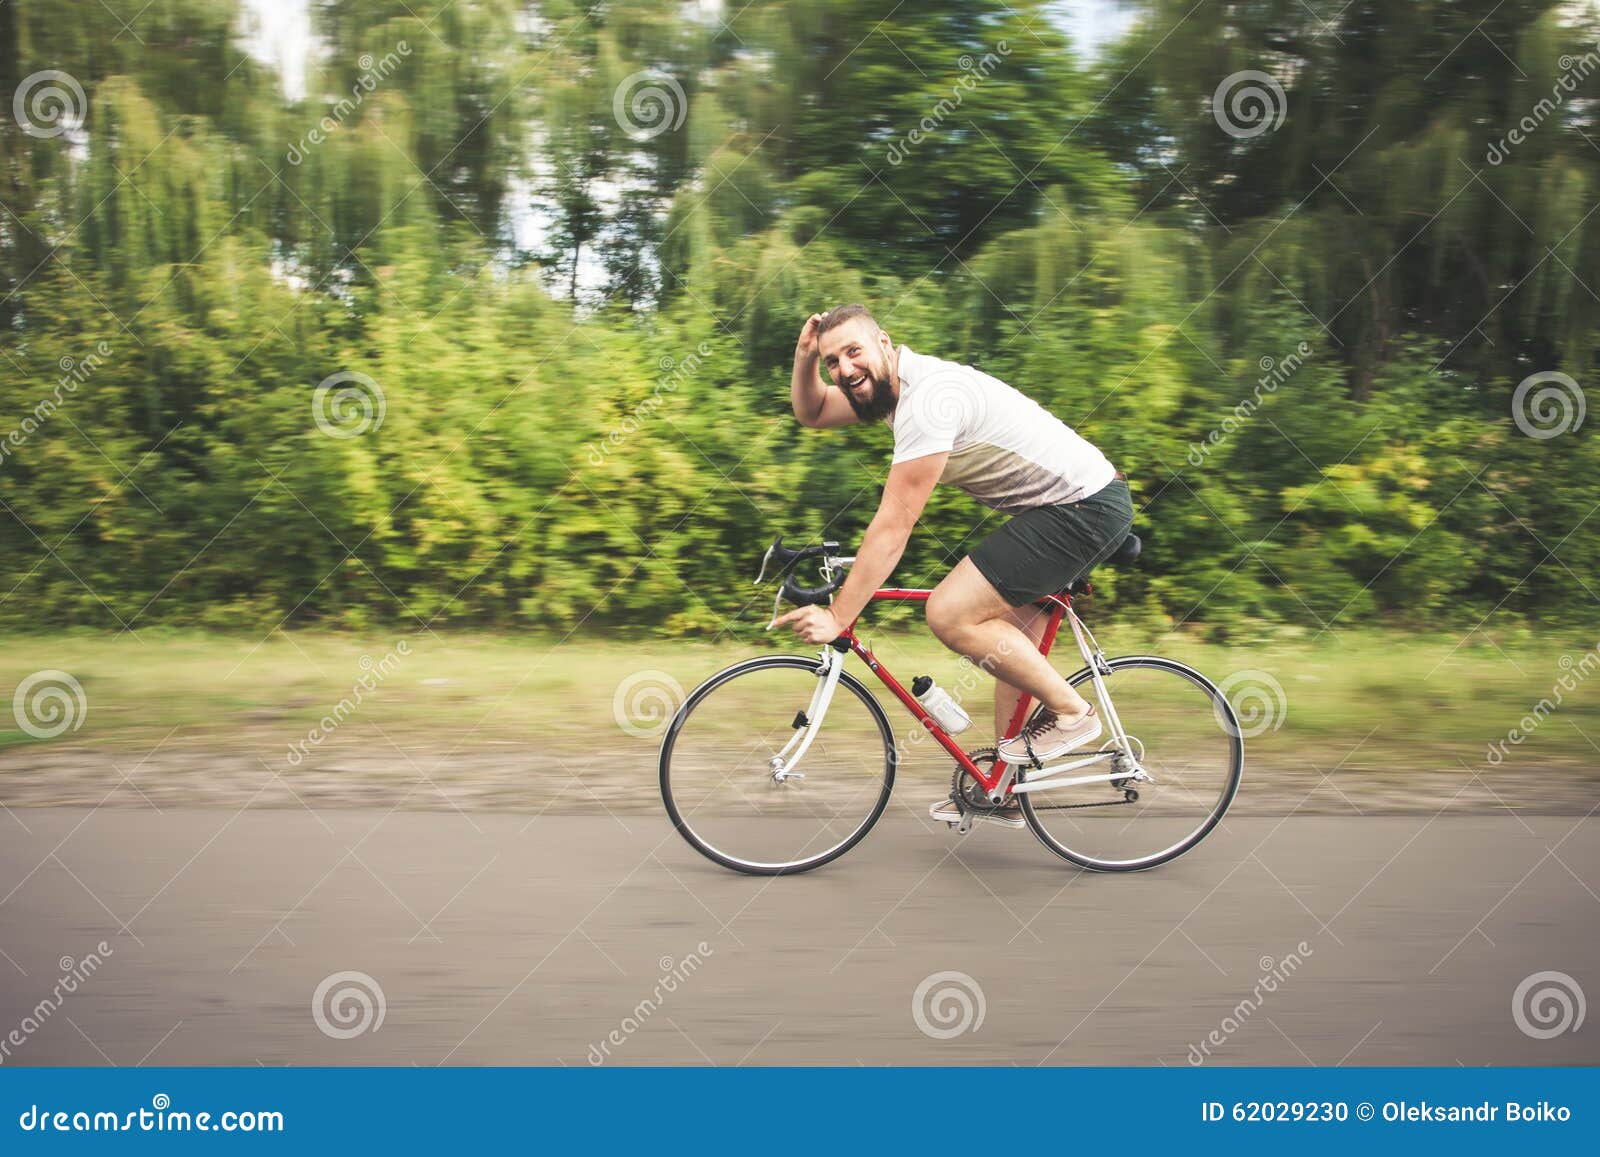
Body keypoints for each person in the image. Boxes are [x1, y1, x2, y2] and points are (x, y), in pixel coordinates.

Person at [773, 303, 1134, 828]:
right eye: (833, 361)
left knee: (949, 612)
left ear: (884, 343)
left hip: (1081, 508)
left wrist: (839, 615)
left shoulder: (928, 401)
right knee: (1011, 645)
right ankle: (1003, 790)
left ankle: (1073, 713)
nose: (845, 369)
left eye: (853, 352)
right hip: (1060, 509)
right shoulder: (887, 390)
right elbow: (813, 413)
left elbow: (893, 527)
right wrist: (804, 356)